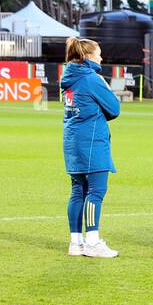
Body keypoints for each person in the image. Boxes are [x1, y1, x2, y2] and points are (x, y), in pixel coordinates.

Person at [61, 36, 121, 258]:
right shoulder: (91, 78)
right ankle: (93, 242)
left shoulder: (68, 76)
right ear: (87, 56)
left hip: (72, 142)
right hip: (92, 142)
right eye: (98, 53)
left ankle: (75, 243)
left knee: (78, 192)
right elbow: (114, 108)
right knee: (96, 191)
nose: (102, 57)